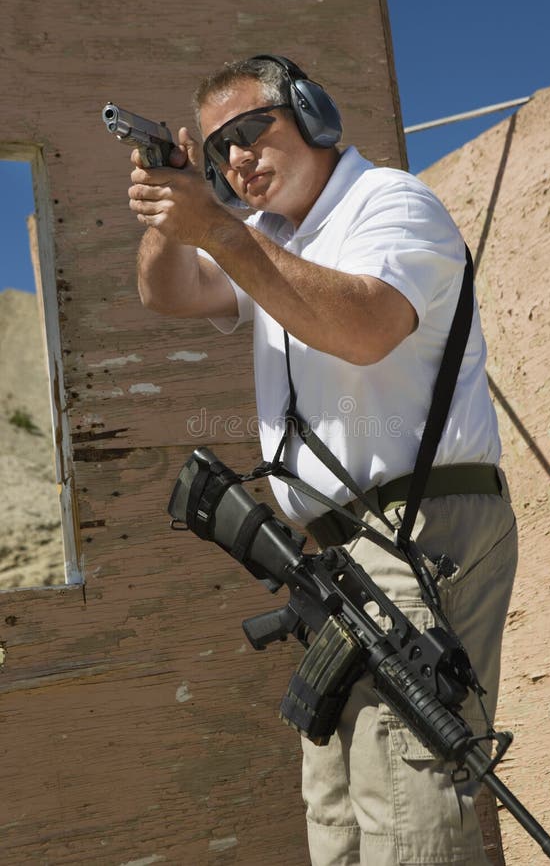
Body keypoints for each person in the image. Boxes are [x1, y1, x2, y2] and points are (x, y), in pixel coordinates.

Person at [128, 55, 518, 866]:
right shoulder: (270, 239)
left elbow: (367, 326)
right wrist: (173, 214)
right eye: (215, 152)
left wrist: (221, 229)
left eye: (249, 131)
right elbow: (168, 293)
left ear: (311, 114)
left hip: (420, 524)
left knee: (410, 807)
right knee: (339, 818)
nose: (235, 160)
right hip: (345, 553)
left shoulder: (392, 203)